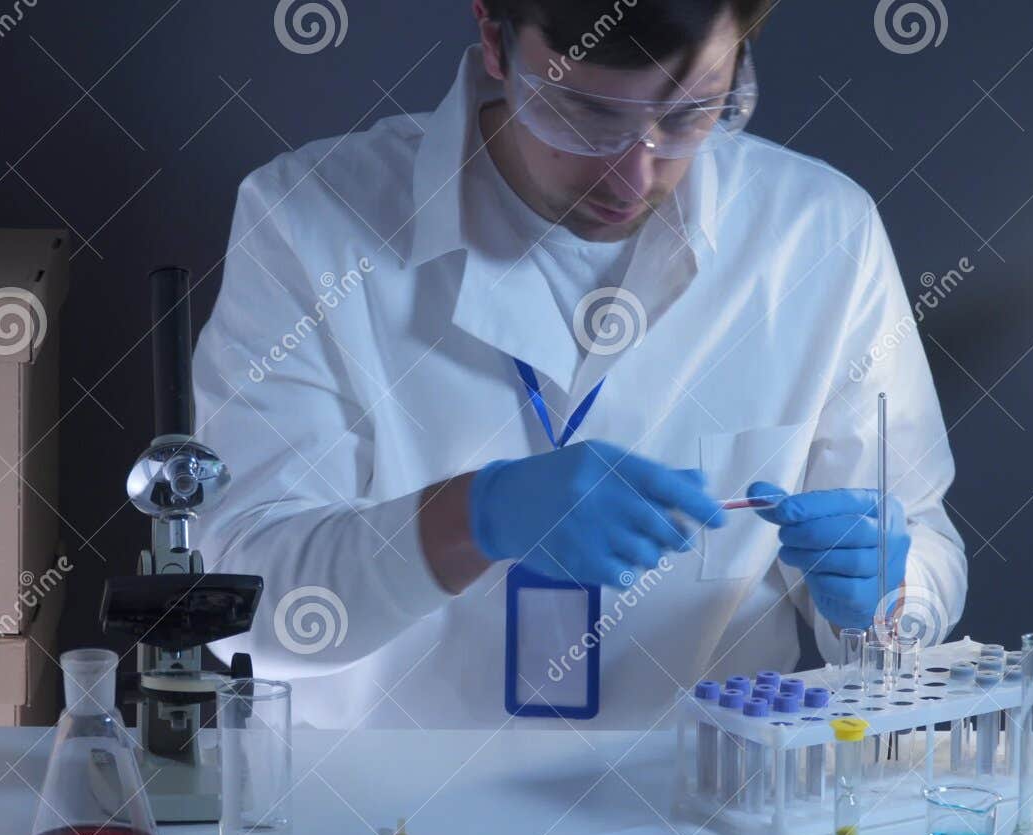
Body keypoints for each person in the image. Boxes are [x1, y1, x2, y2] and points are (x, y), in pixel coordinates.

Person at [191, 0, 966, 729]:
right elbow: (240, 615)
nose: (633, 176)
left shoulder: (817, 233)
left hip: (702, 809)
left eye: (691, 114)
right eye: (587, 114)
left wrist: (886, 597)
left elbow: (920, 538)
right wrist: (470, 518)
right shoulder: (310, 221)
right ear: (494, 37)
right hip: (374, 823)